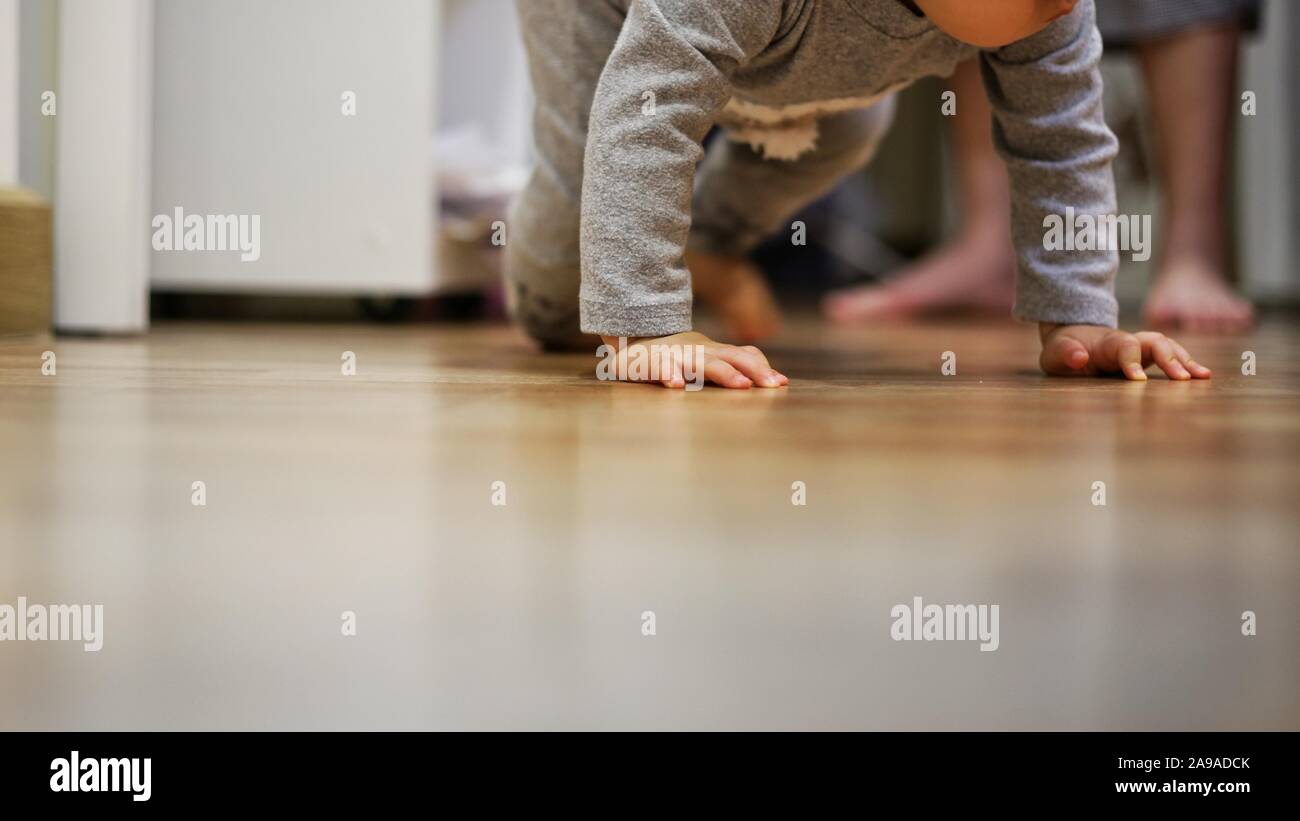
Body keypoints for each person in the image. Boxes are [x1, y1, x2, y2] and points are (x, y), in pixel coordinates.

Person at [508, 0, 1210, 388]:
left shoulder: (1046, 9)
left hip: (794, 47)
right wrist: (644, 326)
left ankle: (703, 246)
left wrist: (1079, 316)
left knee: (848, 129)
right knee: (571, 284)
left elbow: (1065, 141)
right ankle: (571, 277)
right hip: (597, 15)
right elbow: (645, 108)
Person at [825, 0, 1259, 334]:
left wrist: (1078, 315)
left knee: (1036, 25)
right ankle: (988, 238)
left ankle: (1192, 251)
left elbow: (1063, 138)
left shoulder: (1062, 12)